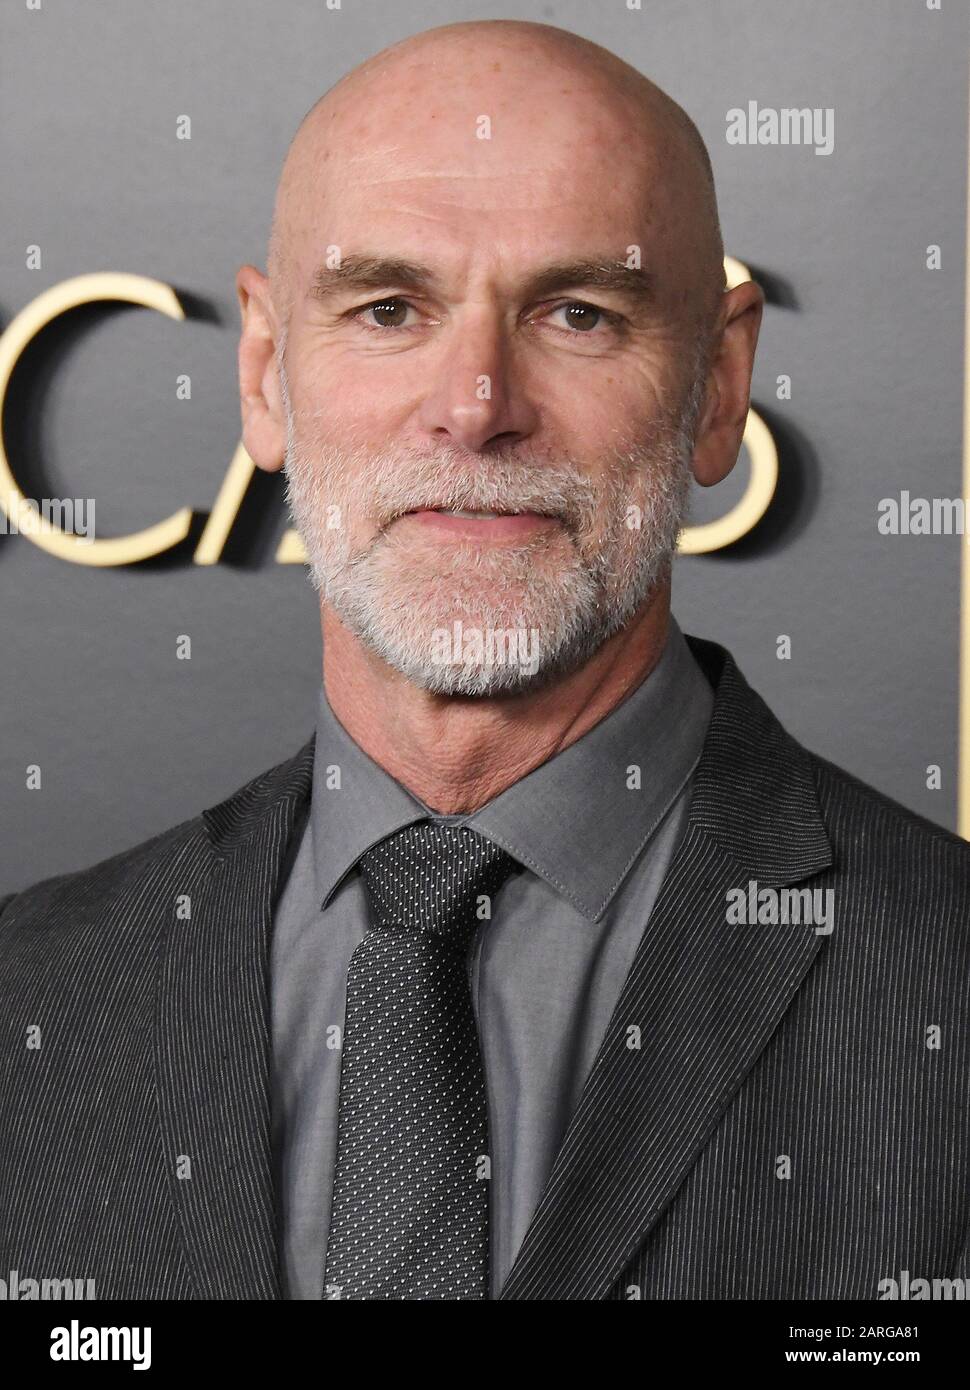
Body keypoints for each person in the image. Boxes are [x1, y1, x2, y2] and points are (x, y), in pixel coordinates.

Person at [1, 19, 967, 1302]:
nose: (475, 403)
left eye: (576, 312)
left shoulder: (938, 988)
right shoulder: (36, 995)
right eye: (388, 309)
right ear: (264, 374)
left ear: (720, 383)